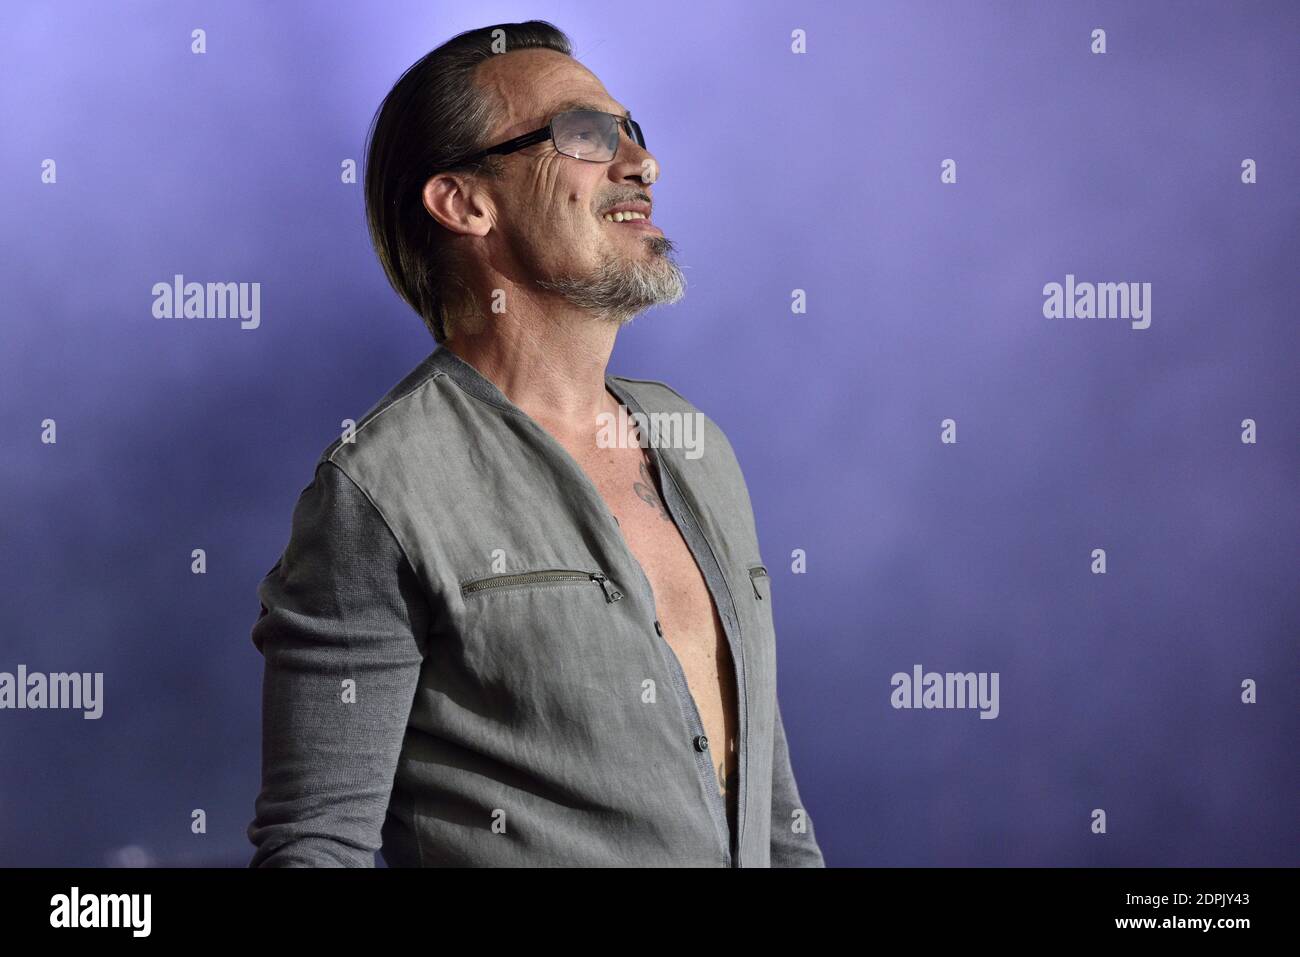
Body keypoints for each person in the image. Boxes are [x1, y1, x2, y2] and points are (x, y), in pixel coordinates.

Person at [247, 19, 824, 867]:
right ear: (464, 202)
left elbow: (776, 821)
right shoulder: (381, 487)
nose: (640, 163)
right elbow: (315, 846)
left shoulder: (696, 445)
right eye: (584, 134)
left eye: (632, 131)